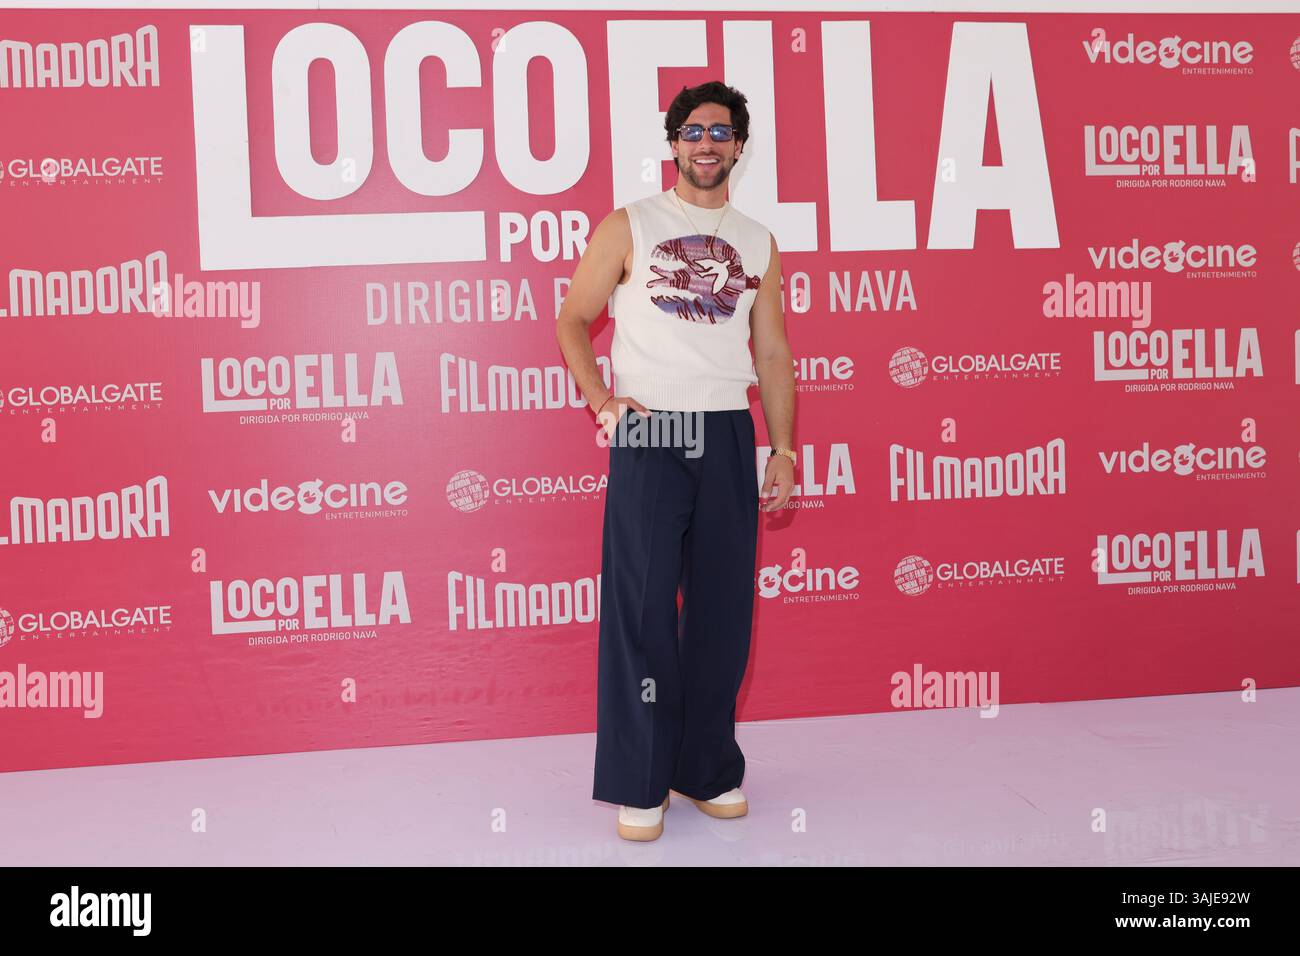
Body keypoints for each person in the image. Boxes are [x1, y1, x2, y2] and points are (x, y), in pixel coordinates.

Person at [556, 80, 796, 842]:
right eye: (692, 133)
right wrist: (603, 401)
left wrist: (784, 448)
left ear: (739, 146)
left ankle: (707, 768)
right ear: (673, 145)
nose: (706, 145)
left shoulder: (758, 239)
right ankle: (641, 779)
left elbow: (772, 349)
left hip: (727, 428)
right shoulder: (630, 225)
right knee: (643, 613)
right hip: (651, 431)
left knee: (722, 615)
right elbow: (573, 319)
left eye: (720, 134)